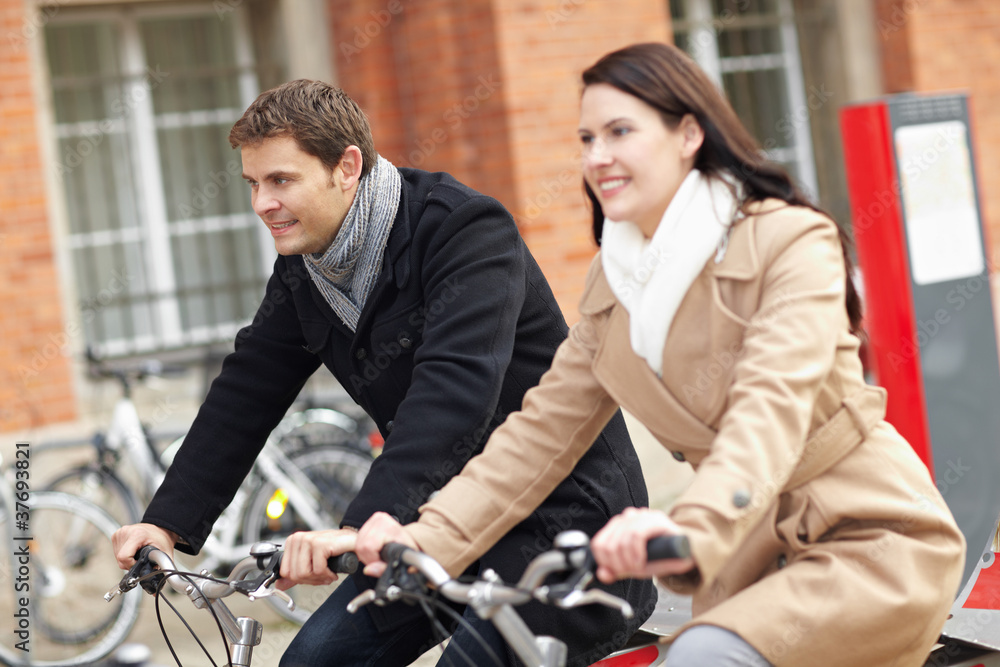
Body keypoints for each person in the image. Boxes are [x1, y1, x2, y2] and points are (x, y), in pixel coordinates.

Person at [354, 42, 967, 667]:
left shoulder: (788, 240)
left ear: (689, 134)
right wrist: (425, 536)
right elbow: (536, 436)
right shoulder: (614, 284)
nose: (598, 156)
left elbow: (770, 406)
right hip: (744, 563)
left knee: (702, 655)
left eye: (620, 132)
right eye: (587, 138)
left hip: (867, 541)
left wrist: (688, 526)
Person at [110, 79, 655, 666]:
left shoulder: (464, 230)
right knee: (312, 661)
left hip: (564, 527)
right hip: (429, 530)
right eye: (253, 183)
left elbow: (454, 392)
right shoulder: (307, 268)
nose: (261, 203)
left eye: (281, 180)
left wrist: (362, 524)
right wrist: (166, 524)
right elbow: (246, 392)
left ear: (347, 167)